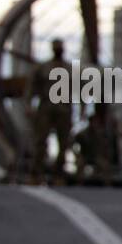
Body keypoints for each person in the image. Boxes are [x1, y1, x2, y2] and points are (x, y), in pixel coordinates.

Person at [30, 38, 72, 182]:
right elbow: (31, 87)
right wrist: (28, 106)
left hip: (64, 109)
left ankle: (58, 174)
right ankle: (36, 173)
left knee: (64, 143)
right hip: (46, 108)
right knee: (41, 142)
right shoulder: (43, 68)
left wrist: (83, 109)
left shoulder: (69, 69)